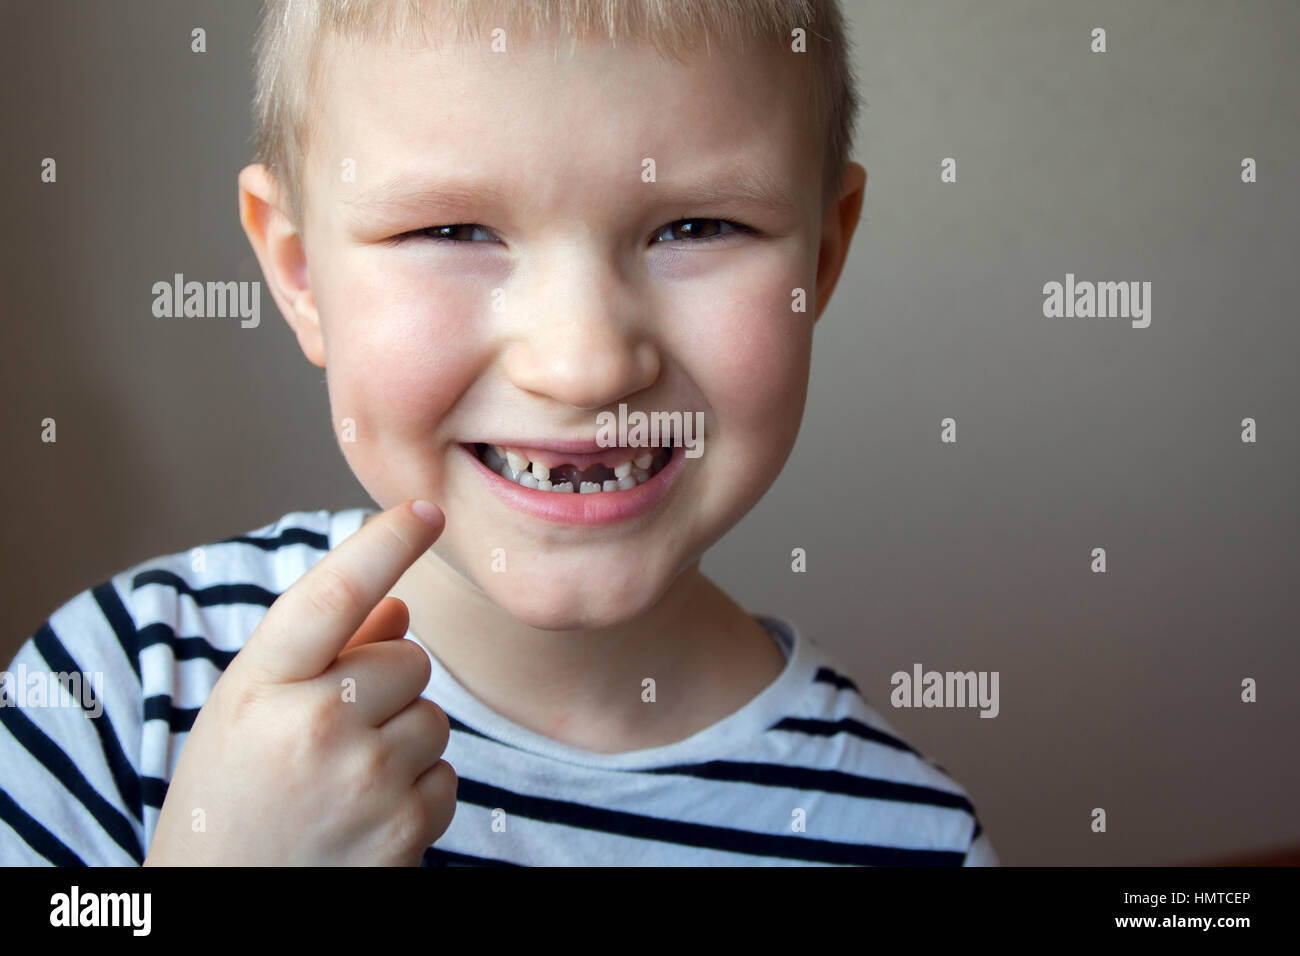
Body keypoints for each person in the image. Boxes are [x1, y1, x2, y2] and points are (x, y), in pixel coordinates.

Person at [1, 0, 997, 866]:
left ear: (819, 259)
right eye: (454, 231)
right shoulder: (111, 695)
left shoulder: (914, 839)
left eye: (696, 227)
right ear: (301, 274)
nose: (582, 361)